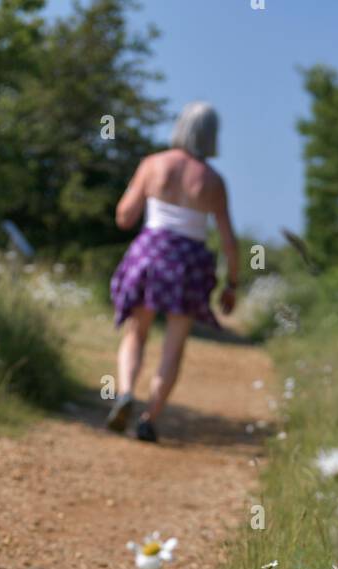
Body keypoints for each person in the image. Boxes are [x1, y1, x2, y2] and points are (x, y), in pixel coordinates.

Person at [106, 101, 239, 443]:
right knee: (174, 346)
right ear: (212, 136)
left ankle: (124, 393)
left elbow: (124, 217)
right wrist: (231, 284)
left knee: (136, 332)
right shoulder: (213, 181)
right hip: (188, 262)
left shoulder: (153, 164)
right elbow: (228, 241)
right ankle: (150, 418)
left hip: (150, 253)